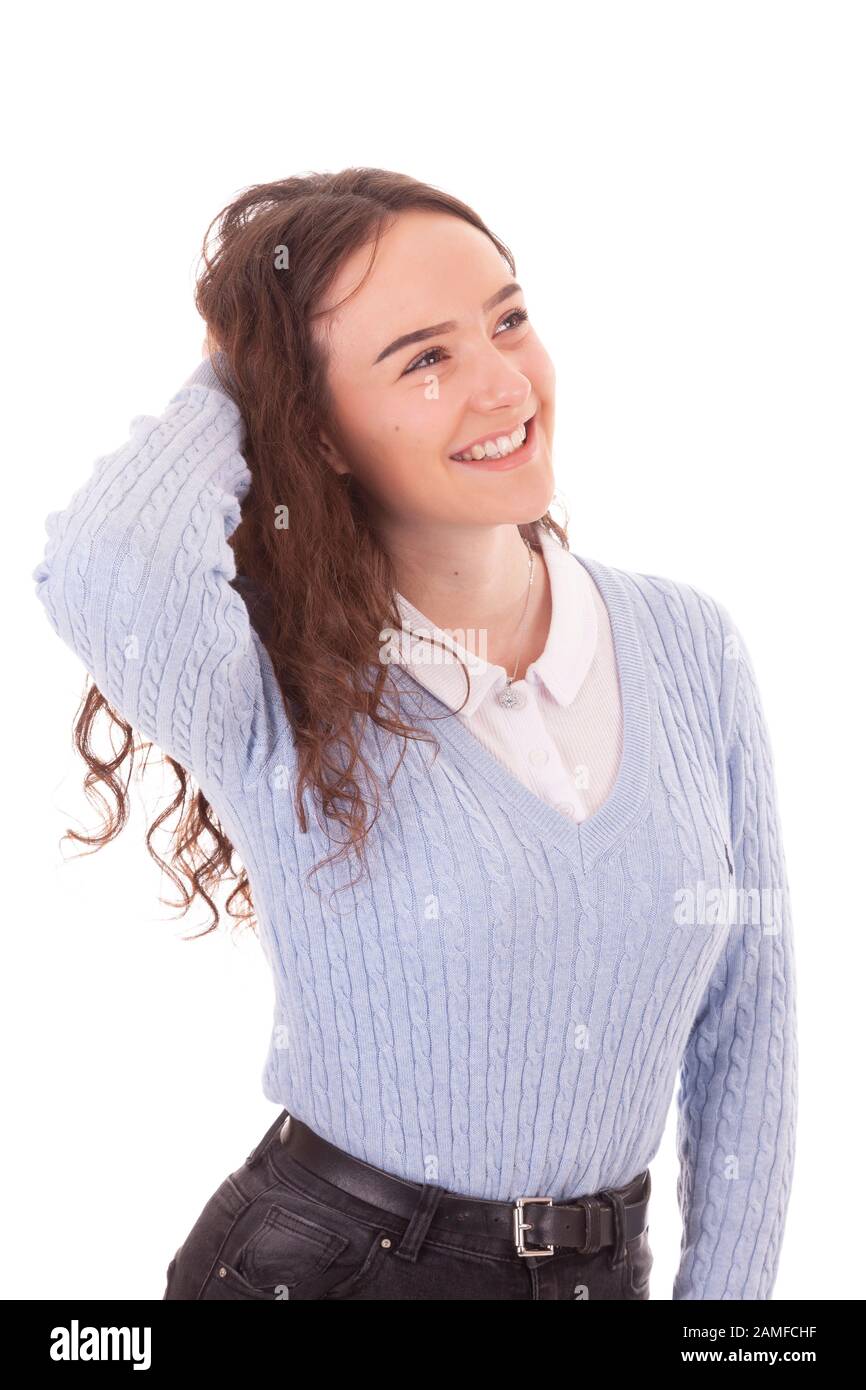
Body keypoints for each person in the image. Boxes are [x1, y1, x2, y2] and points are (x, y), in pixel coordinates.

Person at [32, 168, 797, 1300]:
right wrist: (243, 363)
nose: (502, 383)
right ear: (319, 432)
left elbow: (750, 1032)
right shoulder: (279, 685)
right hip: (333, 1271)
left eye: (507, 319)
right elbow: (101, 562)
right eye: (424, 358)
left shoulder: (689, 645)